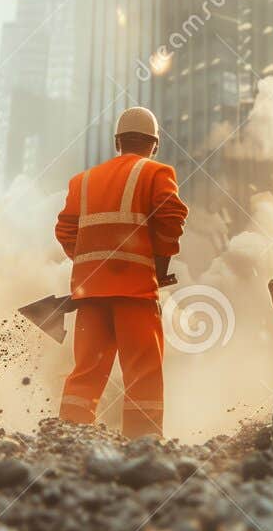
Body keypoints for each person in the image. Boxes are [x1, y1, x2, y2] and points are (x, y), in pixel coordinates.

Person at [53, 107, 188, 437]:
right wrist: (158, 260)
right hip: (135, 293)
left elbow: (64, 230)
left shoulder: (82, 182)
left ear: (117, 142)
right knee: (143, 372)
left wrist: (91, 265)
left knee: (86, 372)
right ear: (154, 145)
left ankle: (68, 439)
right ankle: (143, 445)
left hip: (89, 295)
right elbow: (172, 218)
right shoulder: (157, 173)